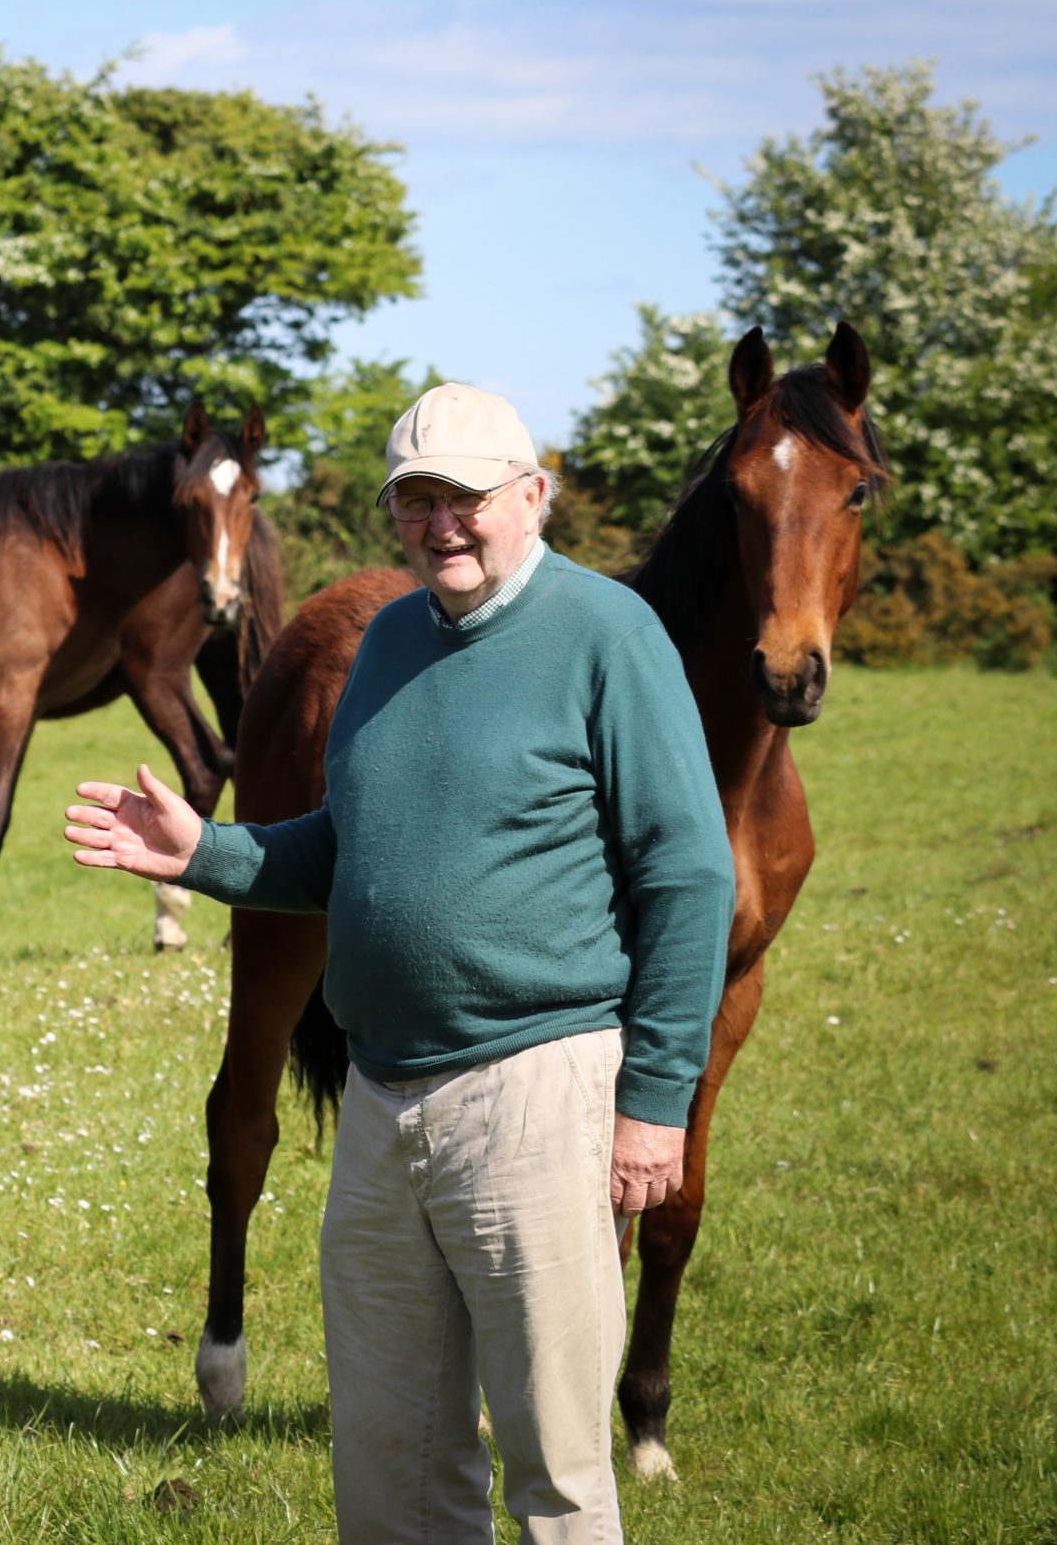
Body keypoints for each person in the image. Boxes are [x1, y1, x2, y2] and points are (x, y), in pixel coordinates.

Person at [65, 383, 735, 1543]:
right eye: (416, 501)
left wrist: (656, 1104)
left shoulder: (606, 637)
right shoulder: (387, 640)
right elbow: (347, 843)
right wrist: (207, 852)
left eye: (466, 498)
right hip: (382, 1106)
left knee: (555, 1473)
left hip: (534, 1093)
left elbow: (687, 876)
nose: (440, 525)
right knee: (386, 1474)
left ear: (532, 496)